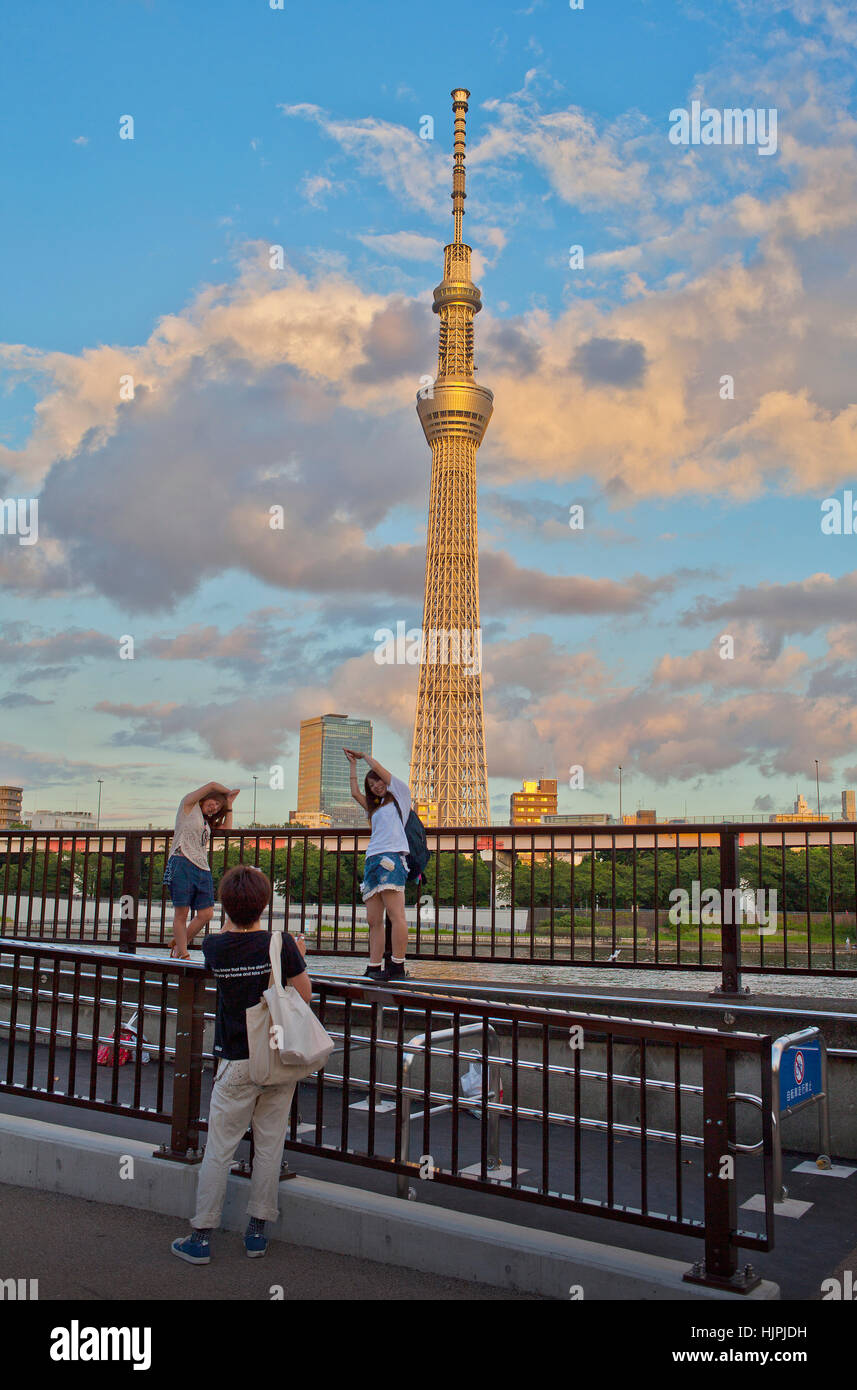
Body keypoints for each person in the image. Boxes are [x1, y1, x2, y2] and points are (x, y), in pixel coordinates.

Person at [171, 863, 309, 1264]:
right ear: (265, 904)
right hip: (278, 1058)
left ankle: (201, 1236)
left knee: (219, 1148)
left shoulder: (213, 948)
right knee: (268, 1146)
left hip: (234, 1060)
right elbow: (304, 995)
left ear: (225, 905)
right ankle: (257, 1232)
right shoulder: (280, 944)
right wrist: (297, 956)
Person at [344, 748, 411, 982]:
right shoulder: (375, 807)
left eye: (378, 781)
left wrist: (364, 757)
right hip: (372, 860)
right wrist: (352, 765)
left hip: (391, 857)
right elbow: (354, 792)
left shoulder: (400, 796)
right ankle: (374, 966)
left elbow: (384, 772)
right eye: (372, 785)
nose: (376, 786)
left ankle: (397, 966)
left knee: (396, 915)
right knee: (374, 920)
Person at [164, 781, 239, 958]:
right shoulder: (188, 806)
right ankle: (182, 953)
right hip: (181, 862)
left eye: (217, 806)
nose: (214, 807)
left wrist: (228, 805)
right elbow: (212, 784)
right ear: (204, 798)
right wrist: (227, 793)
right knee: (182, 912)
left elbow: (228, 828)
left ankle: (179, 942)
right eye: (213, 802)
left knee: (206, 913)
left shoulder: (206, 823)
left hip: (202, 867)